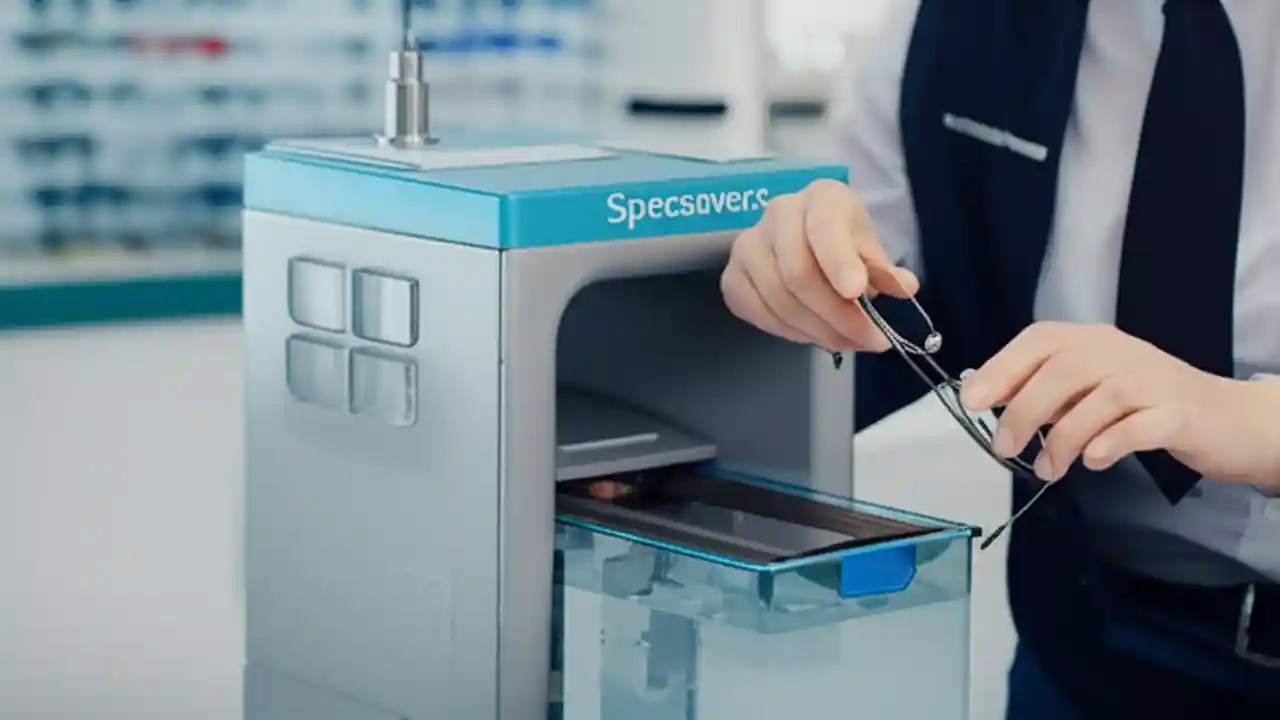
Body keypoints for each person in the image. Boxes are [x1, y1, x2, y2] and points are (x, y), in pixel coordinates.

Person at [720, 0, 1280, 717]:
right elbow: (876, 286)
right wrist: (793, 272)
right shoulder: (962, 23)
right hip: (1090, 641)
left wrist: (1257, 425)